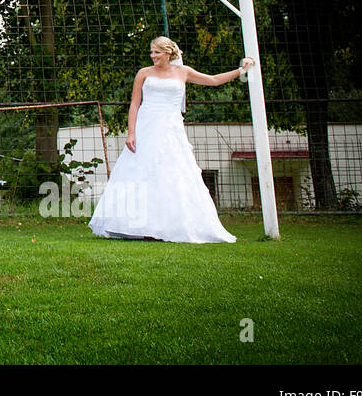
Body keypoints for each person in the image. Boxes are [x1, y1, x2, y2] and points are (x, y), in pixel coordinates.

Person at [88, 36, 253, 244]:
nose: (153, 56)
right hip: (147, 127)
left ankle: (171, 225)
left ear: (168, 53)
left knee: (172, 172)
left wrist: (241, 71)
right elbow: (134, 104)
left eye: (156, 52)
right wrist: (131, 133)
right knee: (140, 171)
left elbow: (212, 80)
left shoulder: (184, 72)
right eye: (151, 52)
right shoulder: (144, 73)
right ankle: (134, 225)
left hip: (171, 128)